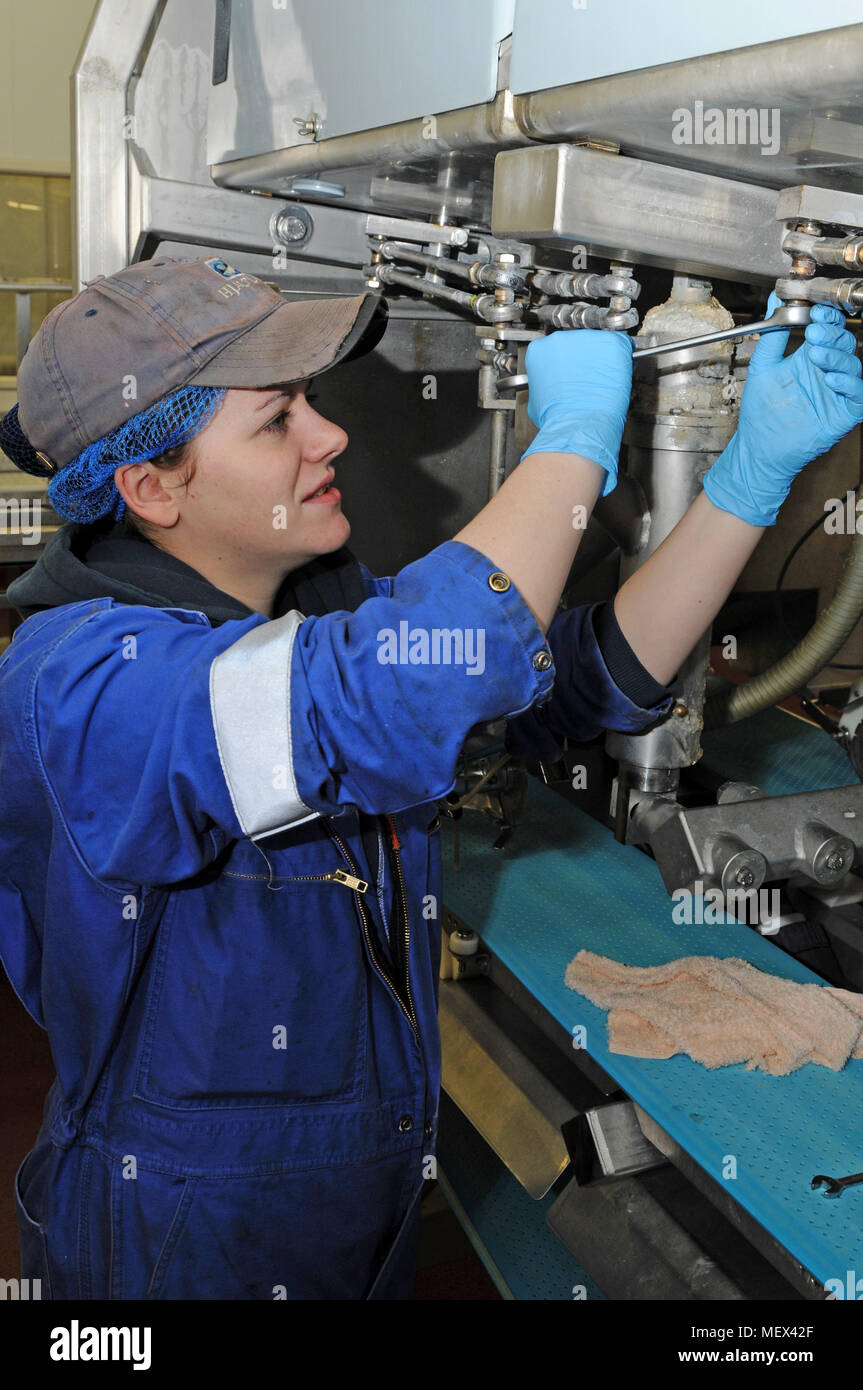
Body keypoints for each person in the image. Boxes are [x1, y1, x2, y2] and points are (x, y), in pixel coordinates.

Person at [0, 256, 860, 1300]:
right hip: (181, 1242)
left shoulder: (310, 610)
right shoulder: (84, 683)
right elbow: (387, 688)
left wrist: (749, 479)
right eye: (276, 422)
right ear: (149, 487)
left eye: (310, 402)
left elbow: (581, 677)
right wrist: (570, 442)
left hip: (353, 1208)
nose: (330, 437)